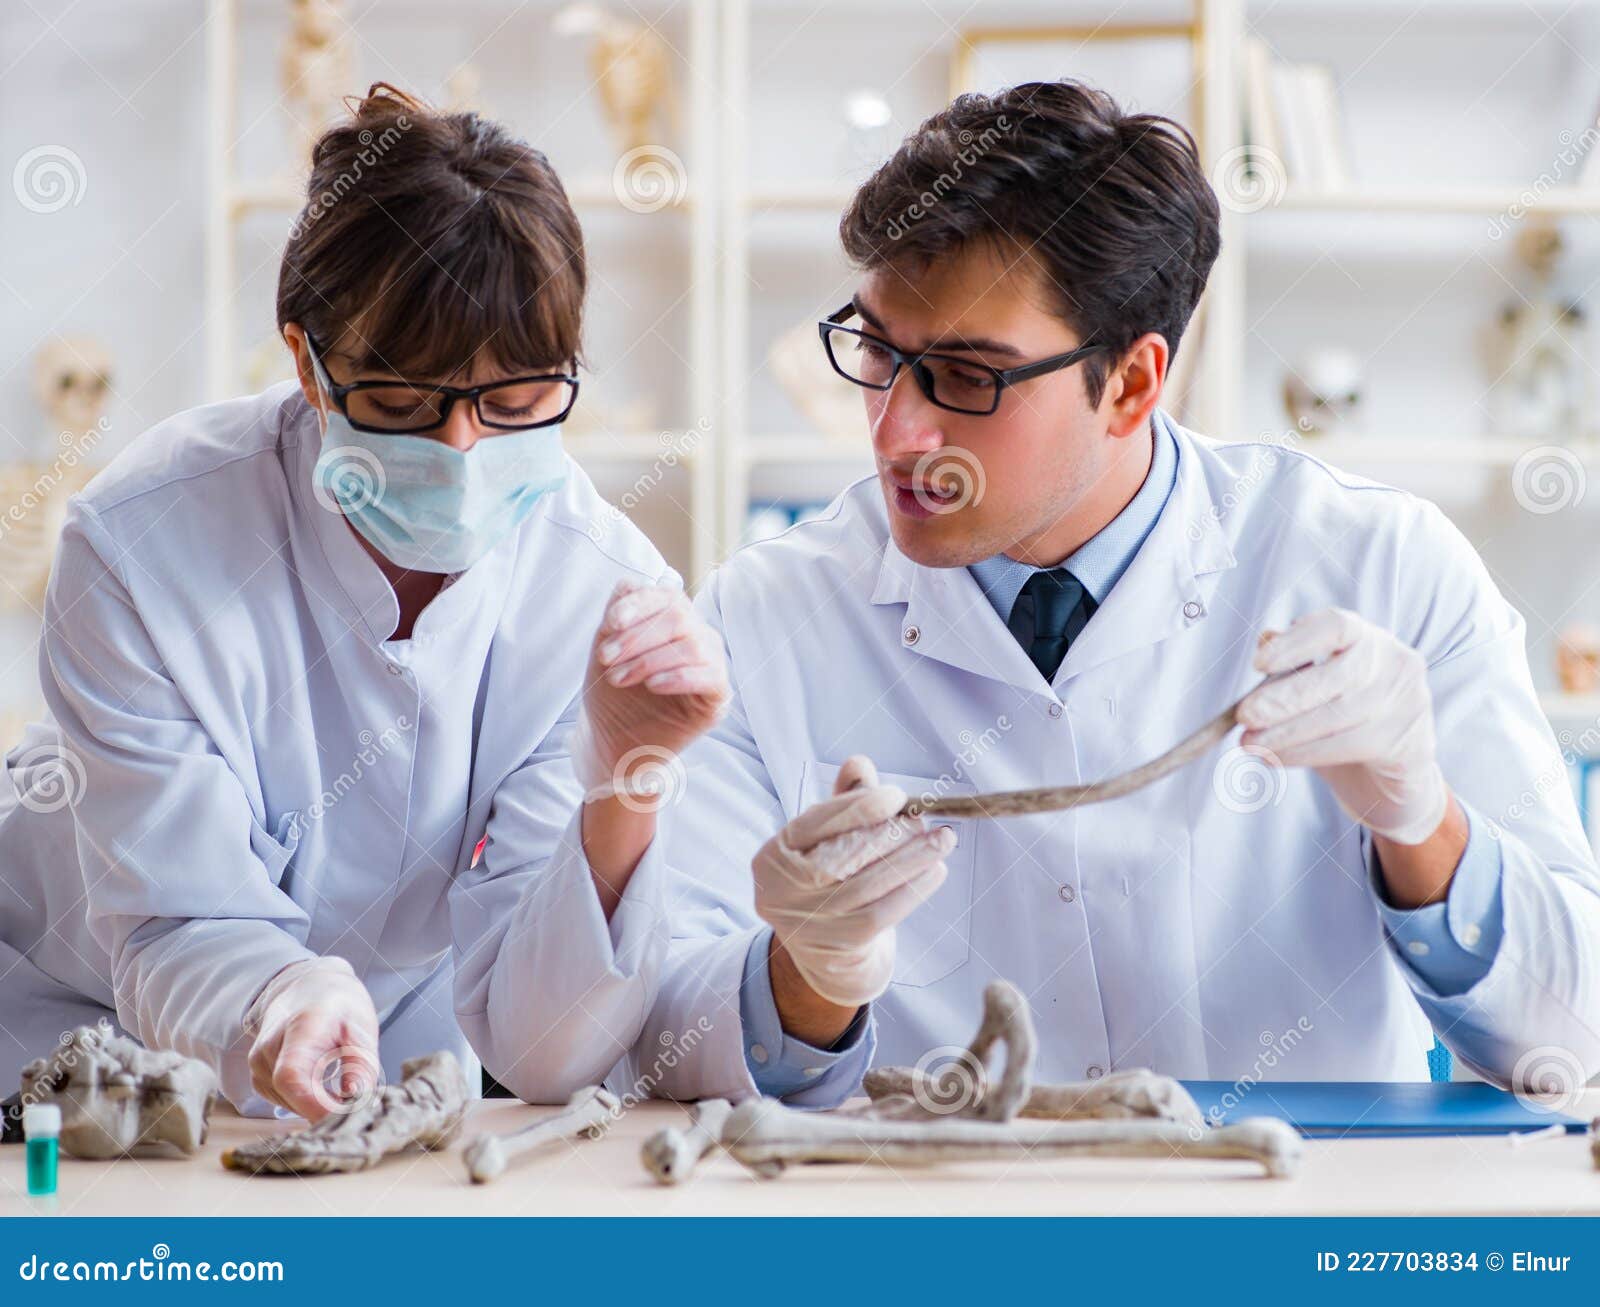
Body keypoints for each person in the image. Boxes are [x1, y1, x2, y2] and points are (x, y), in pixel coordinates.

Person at [618, 80, 1600, 1105]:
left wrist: (1422, 824)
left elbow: (1570, 1033)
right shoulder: (767, 613)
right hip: (933, 1225)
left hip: (1289, 1227)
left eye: (965, 375)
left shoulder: (1378, 563)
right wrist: (810, 976)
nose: (896, 432)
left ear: (1132, 382)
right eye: (878, 351)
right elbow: (657, 1045)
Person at [0, 84, 726, 1120]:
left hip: (392, 1058)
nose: (461, 454)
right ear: (304, 359)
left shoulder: (602, 594)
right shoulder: (145, 540)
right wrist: (283, 991)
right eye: (398, 405)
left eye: (516, 404)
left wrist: (625, 780)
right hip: (70, 1014)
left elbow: (546, 1045)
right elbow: (170, 919)